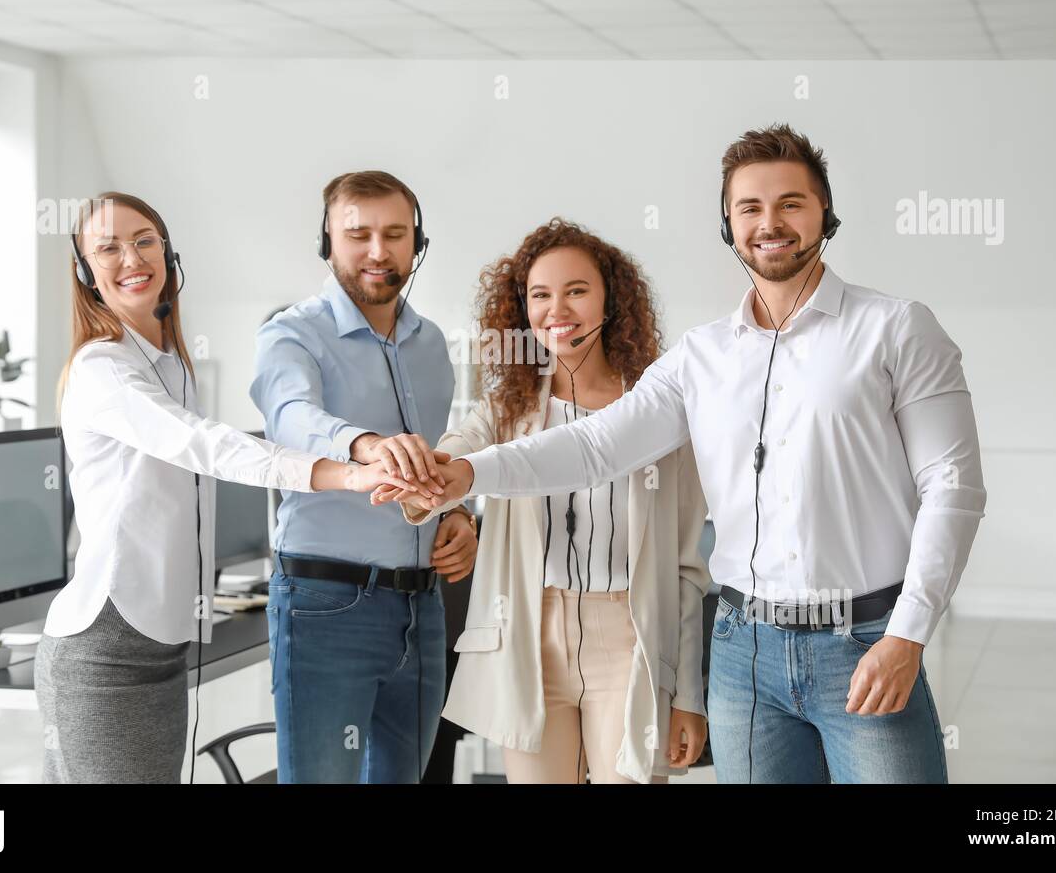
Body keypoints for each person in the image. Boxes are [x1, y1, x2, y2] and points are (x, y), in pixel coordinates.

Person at [389, 125, 988, 783]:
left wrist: (909, 633)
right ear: (728, 225)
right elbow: (596, 445)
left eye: (791, 203)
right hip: (744, 652)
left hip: (864, 638)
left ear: (826, 213)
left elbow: (952, 487)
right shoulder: (702, 357)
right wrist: (469, 473)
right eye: (750, 208)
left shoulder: (897, 328)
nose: (770, 223)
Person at [35, 192, 426, 784]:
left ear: (168, 254)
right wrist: (347, 472)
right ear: (87, 274)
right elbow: (207, 445)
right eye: (108, 248)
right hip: (105, 653)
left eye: (144, 241)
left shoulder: (168, 363)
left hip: (161, 651)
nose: (132, 258)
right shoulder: (102, 369)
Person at [379, 219, 709, 783]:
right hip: (530, 639)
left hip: (628, 639)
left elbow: (685, 566)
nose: (558, 308)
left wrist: (690, 696)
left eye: (577, 290)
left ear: (611, 298)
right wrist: (437, 493)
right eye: (540, 295)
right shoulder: (507, 408)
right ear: (522, 310)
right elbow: (455, 458)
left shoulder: (659, 414)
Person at [250, 170, 473, 783]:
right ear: (327, 242)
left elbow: (435, 464)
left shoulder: (431, 346)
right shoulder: (292, 334)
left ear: (417, 243)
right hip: (326, 606)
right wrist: (363, 443)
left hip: (423, 605)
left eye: (395, 234)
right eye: (359, 235)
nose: (378, 251)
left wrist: (454, 516)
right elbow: (291, 417)